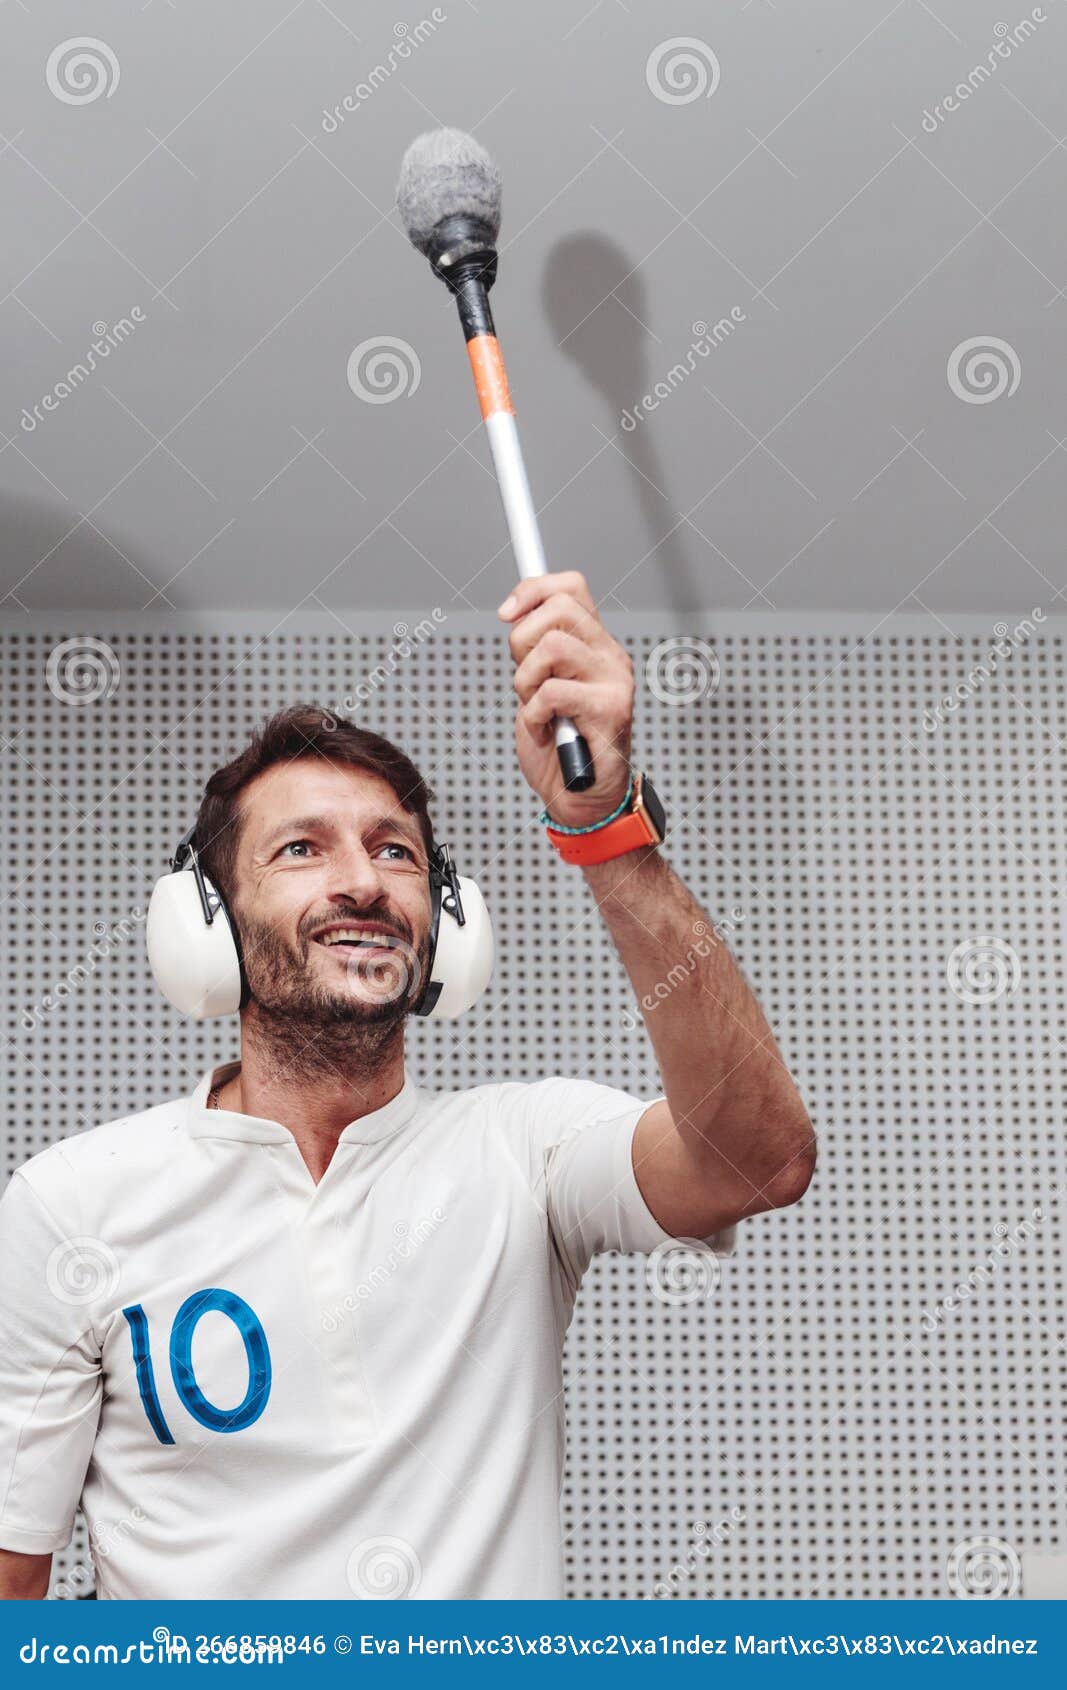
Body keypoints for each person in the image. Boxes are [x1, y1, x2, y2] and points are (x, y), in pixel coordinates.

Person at [0, 572, 815, 1600]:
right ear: (201, 924)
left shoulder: (527, 1149)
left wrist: (606, 826)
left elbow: (758, 1158)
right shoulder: (70, 1202)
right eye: (302, 849)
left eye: (396, 852)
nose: (365, 883)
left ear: (447, 928)